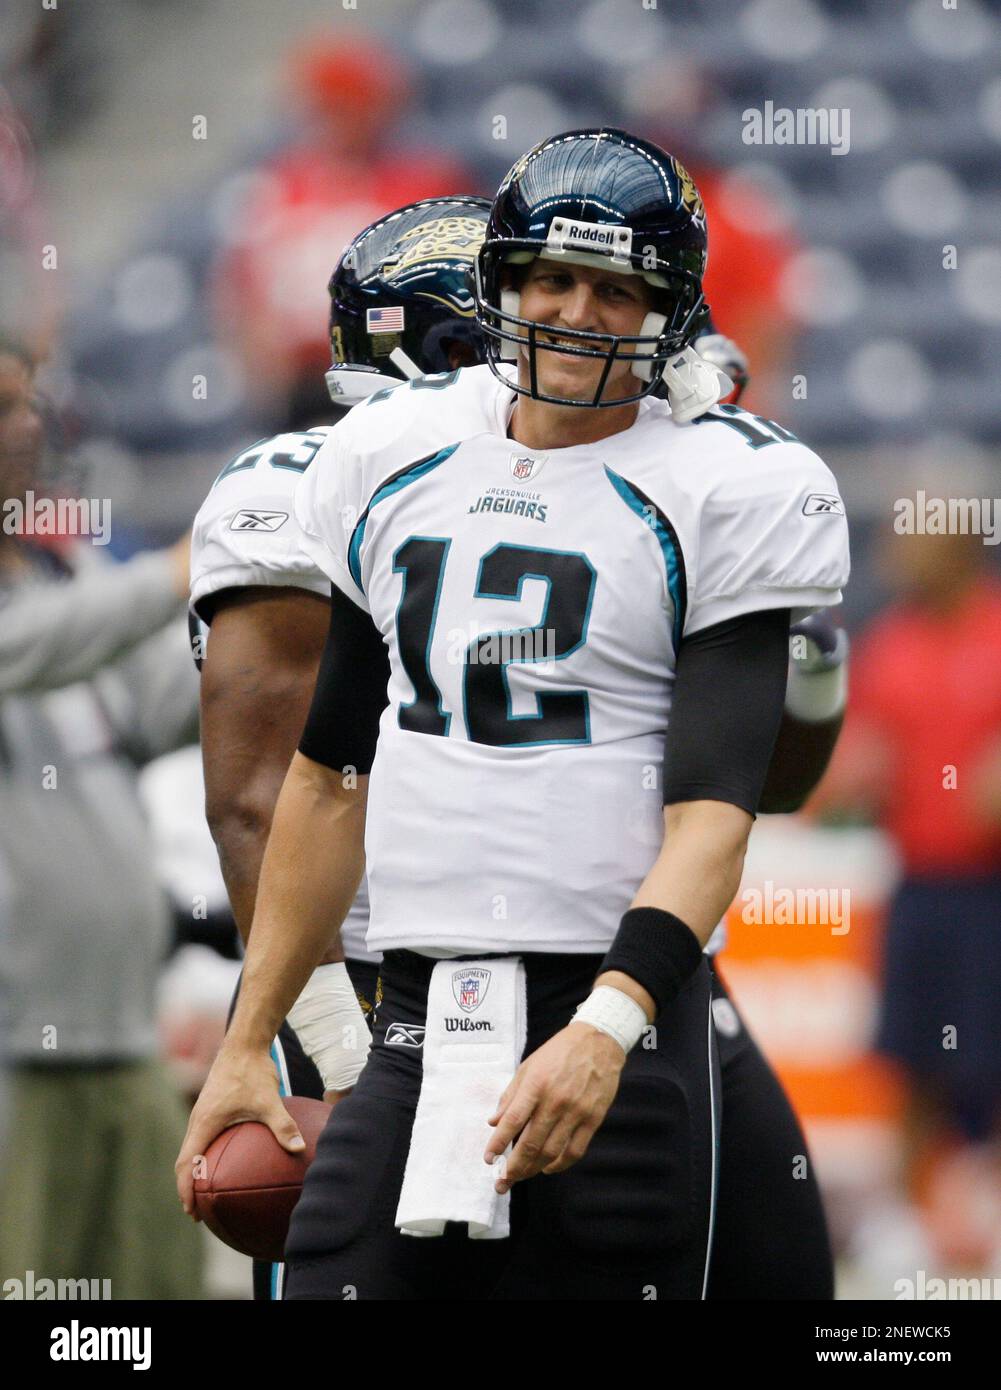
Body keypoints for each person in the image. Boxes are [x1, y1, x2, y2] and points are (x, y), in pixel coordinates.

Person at [179, 130, 850, 1299]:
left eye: (613, 288)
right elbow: (321, 777)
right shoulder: (386, 457)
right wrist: (254, 1039)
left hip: (612, 997)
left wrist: (604, 1025)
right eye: (550, 278)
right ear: (499, 288)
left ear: (666, 311)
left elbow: (718, 814)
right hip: (413, 1002)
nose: (575, 313)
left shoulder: (722, 480)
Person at [191, 195, 494, 1299]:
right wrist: (330, 1033)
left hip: (506, 972)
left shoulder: (541, 488)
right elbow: (261, 796)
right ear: (453, 342)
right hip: (356, 976)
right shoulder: (294, 491)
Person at [0, 369, 203, 1299]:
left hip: (123, 1029)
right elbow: (31, 648)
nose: (25, 426)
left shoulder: (63, 571)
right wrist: (179, 568)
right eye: (0, 406)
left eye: (24, 403)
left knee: (145, 1307)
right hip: (13, 1052)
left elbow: (170, 703)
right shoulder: (72, 604)